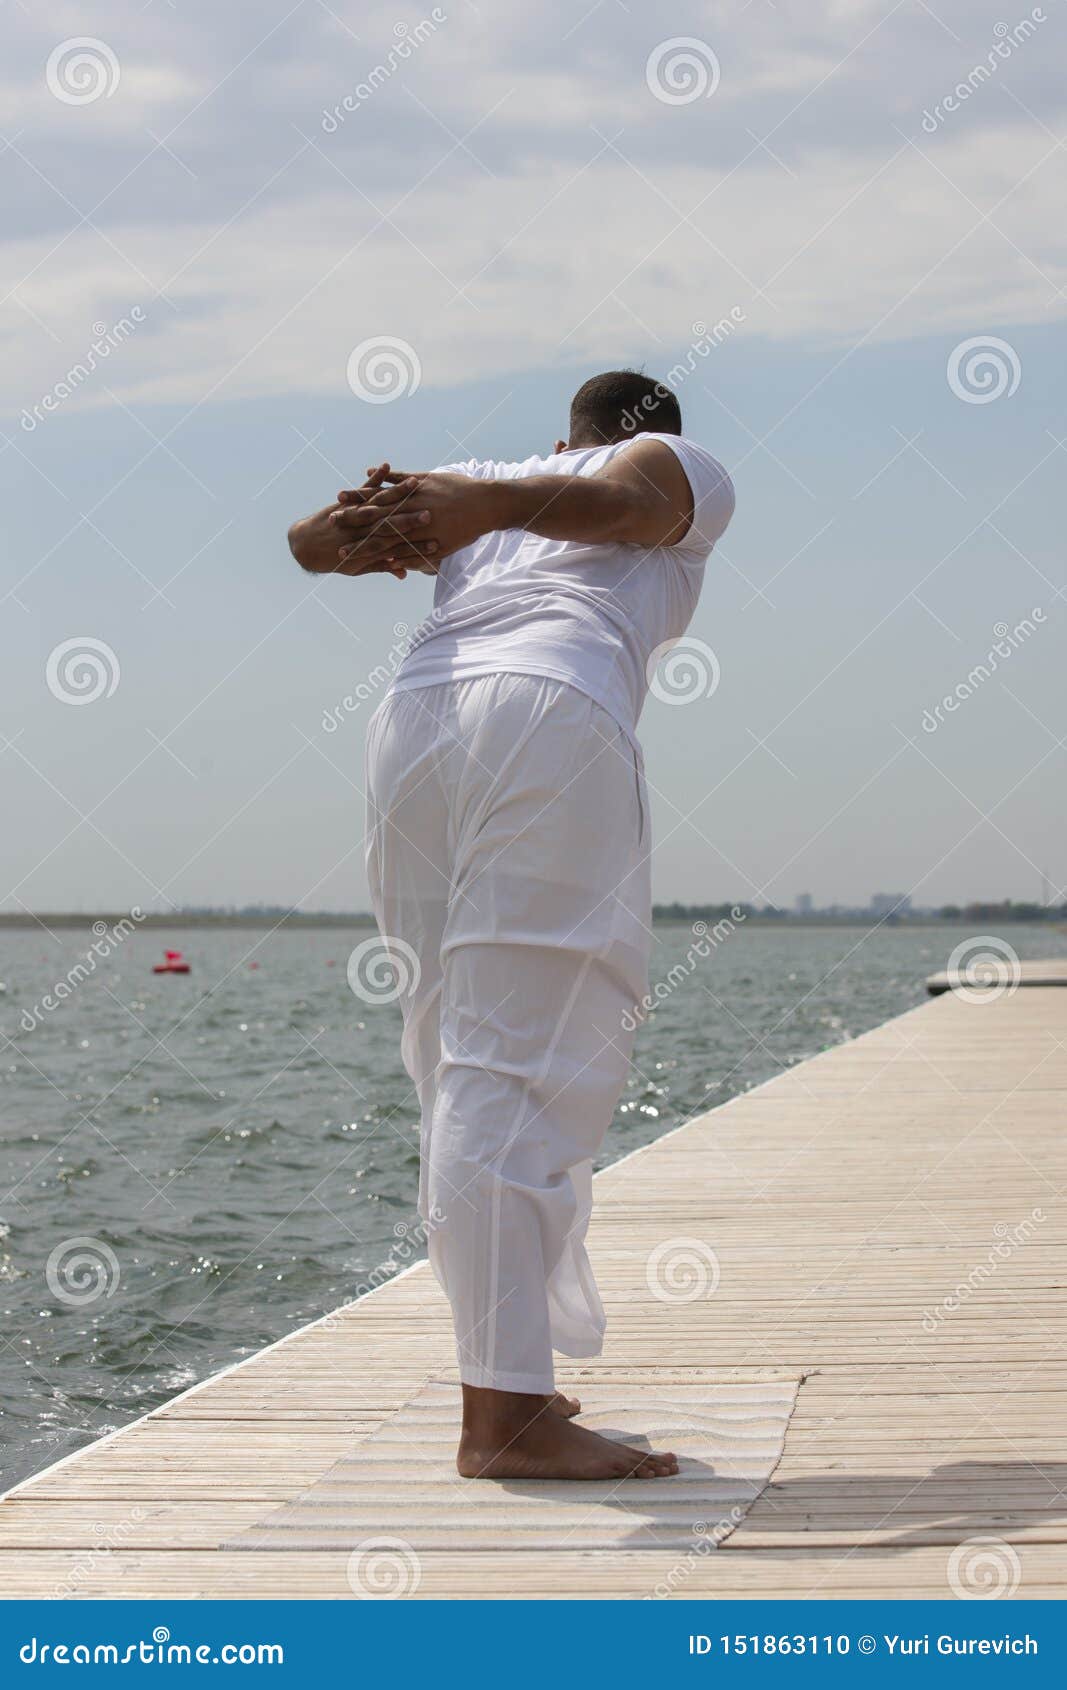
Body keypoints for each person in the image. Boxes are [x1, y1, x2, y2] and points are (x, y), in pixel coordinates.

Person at [288, 370, 735, 1480]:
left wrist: (370, 524)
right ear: (656, 431)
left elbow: (305, 546)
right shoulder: (673, 468)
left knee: (453, 1060)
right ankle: (505, 1418)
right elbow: (633, 500)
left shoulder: (488, 476)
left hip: (417, 728)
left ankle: (509, 1369)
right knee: (518, 1066)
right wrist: (452, 512)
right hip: (544, 714)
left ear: (561, 434)